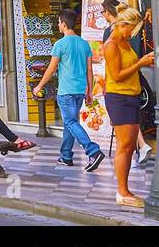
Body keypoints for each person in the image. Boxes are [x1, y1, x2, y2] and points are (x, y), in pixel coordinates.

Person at [33, 9, 106, 172]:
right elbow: (89, 70)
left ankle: (93, 151)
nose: (58, 25)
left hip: (66, 91)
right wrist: (90, 91)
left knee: (71, 122)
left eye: (59, 22)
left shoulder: (60, 44)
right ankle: (66, 156)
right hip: (80, 90)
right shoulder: (84, 43)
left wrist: (39, 86)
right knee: (69, 123)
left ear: (64, 24)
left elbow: (51, 69)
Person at [102, 6, 153, 207]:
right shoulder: (111, 45)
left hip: (130, 96)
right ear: (121, 25)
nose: (132, 33)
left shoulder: (125, 43)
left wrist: (142, 63)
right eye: (131, 28)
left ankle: (125, 190)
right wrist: (140, 63)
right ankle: (122, 192)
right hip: (119, 98)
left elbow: (129, 69)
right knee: (124, 146)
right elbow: (116, 75)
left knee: (130, 145)